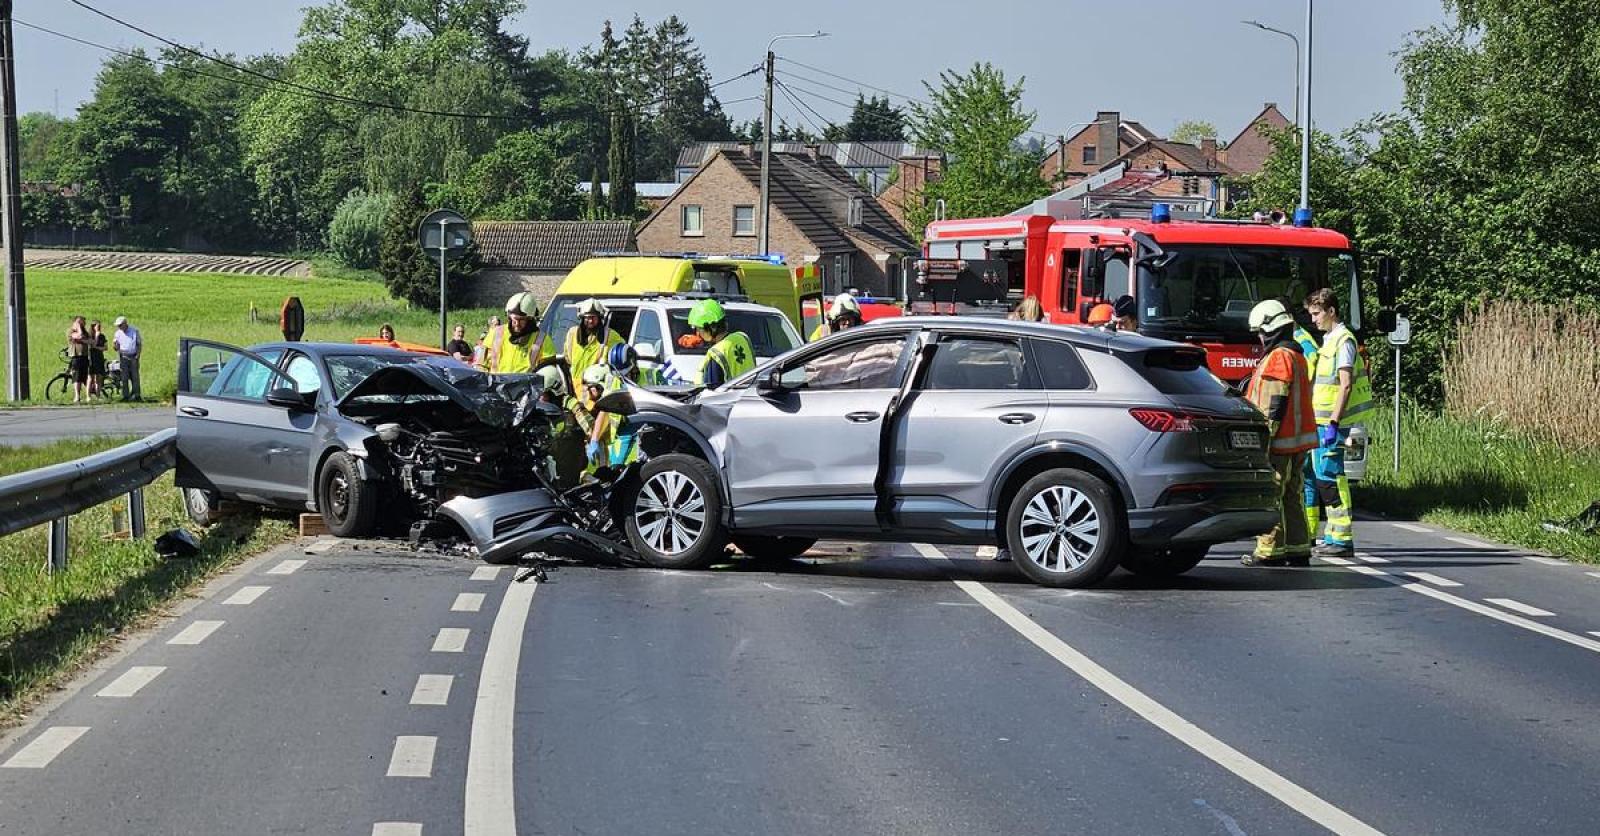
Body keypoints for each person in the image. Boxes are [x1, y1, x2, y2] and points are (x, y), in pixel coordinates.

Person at [1241, 300, 1319, 567]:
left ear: (1271, 328)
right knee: (1291, 496)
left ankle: (1269, 551)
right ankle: (1298, 549)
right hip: (1298, 441)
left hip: (1280, 443)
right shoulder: (1296, 354)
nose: (1260, 338)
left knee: (1271, 494)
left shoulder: (1278, 357)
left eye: (1261, 332)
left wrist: (1263, 439)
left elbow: (1273, 404)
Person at [1302, 288, 1374, 558]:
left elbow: (1344, 386)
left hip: (1331, 424)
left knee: (1330, 478)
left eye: (1317, 314)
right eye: (1311, 314)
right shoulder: (1329, 340)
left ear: (1331, 311)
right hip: (1321, 423)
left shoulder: (1344, 340)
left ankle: (1342, 539)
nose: (1314, 320)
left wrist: (1333, 422)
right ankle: (1333, 536)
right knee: (1324, 477)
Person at [562, 298, 623, 404]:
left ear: (600, 318)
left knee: (591, 418)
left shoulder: (610, 336)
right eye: (587, 318)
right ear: (581, 318)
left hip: (596, 391)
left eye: (593, 317)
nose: (590, 321)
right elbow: (567, 358)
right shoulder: (572, 334)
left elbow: (623, 355)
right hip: (573, 388)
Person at [689, 298, 755, 388]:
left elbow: (712, 391)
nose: (697, 333)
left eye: (699, 329)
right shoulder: (742, 338)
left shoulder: (716, 353)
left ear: (712, 328)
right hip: (748, 396)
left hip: (728, 400)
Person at [489, 292, 551, 374]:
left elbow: (549, 372)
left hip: (525, 386)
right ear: (509, 317)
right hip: (495, 385)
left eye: (522, 320)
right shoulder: (495, 333)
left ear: (530, 319)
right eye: (514, 319)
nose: (517, 324)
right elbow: (479, 365)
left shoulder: (543, 340)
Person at [112, 315, 142, 401]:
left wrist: (138, 355)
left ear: (125, 324)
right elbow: (115, 346)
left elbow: (139, 344)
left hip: (133, 356)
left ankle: (137, 395)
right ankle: (126, 395)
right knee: (124, 377)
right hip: (123, 356)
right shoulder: (117, 333)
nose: (119, 327)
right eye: (118, 326)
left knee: (135, 376)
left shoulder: (134, 331)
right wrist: (115, 346)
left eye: (120, 325)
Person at [66, 316, 90, 403]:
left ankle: (89, 395)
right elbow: (79, 336)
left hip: (85, 356)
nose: (82, 324)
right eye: (80, 322)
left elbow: (90, 341)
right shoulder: (71, 331)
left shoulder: (85, 332)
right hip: (76, 356)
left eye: (83, 322)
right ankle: (77, 396)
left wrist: (84, 340)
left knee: (86, 376)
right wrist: (78, 327)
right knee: (77, 377)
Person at [87, 320, 108, 399]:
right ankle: (88, 396)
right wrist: (96, 336)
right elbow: (92, 345)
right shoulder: (90, 336)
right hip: (91, 358)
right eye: (98, 326)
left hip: (99, 358)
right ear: (93, 327)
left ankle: (98, 395)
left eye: (100, 326)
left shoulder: (102, 336)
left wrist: (98, 348)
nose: (99, 328)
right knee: (90, 378)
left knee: (99, 378)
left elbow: (105, 347)